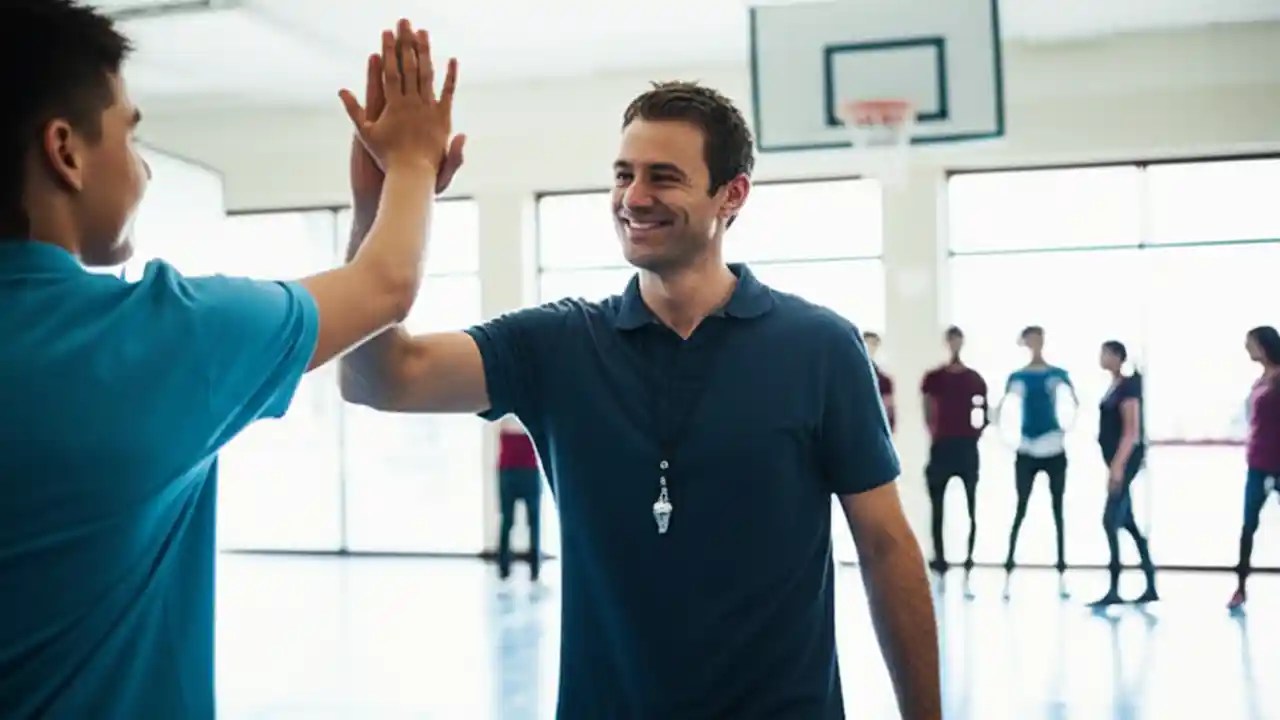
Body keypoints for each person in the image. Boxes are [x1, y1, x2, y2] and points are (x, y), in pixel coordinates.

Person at [341, 82, 941, 718]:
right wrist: (380, 204)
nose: (633, 198)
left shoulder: (820, 347)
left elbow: (885, 547)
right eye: (623, 174)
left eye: (664, 177)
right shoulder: (559, 344)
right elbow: (379, 377)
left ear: (731, 196)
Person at [0, 6, 464, 716]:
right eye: (131, 133)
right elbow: (386, 284)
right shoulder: (163, 338)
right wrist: (411, 161)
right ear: (65, 152)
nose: (144, 166)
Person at [996, 325, 1078, 574]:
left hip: (1053, 447)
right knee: (1021, 507)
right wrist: (1007, 439)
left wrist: (1065, 430)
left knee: (1058, 510)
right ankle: (1009, 563)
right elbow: (1001, 410)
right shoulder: (1017, 377)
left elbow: (1075, 403)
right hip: (1027, 448)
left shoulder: (1058, 374)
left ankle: (1062, 564)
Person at [1089, 340, 1157, 607]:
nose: (1101, 357)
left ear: (1117, 356)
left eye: (1105, 352)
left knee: (1110, 521)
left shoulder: (1128, 388)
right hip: (1114, 462)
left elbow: (1131, 431)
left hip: (1124, 463)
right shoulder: (1114, 386)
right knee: (1127, 523)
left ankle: (1115, 586)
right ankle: (1150, 582)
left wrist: (1117, 467)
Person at [920, 326, 988, 573]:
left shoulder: (974, 378)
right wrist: (934, 431)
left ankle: (969, 557)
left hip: (966, 447)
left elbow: (982, 410)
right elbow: (927, 407)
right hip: (942, 446)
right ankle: (939, 558)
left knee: (971, 506)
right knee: (937, 507)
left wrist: (975, 433)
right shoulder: (934, 377)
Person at [1228, 325, 1280, 611]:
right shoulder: (1261, 379)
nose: (1247, 349)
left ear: (1264, 345)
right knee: (1248, 527)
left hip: (1278, 462)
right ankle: (1240, 588)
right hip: (1258, 462)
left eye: (1250, 344)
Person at [496, 415, 543, 583]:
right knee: (530, 522)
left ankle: (505, 567)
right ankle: (533, 568)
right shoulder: (532, 413)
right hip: (524, 471)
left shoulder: (505, 416)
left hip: (512, 471)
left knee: (509, 521)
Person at [864, 330, 896, 431]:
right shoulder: (851, 376)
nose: (869, 347)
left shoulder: (884, 381)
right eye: (867, 343)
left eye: (873, 344)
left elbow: (889, 409)